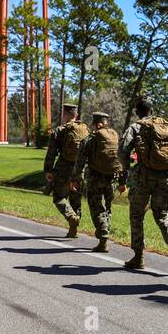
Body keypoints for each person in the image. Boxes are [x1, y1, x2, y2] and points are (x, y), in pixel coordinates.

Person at [118, 97, 168, 271]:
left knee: (137, 215)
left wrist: (123, 174)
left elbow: (123, 150)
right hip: (165, 177)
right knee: (162, 214)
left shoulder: (136, 127)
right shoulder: (166, 126)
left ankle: (138, 257)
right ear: (152, 111)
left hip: (143, 177)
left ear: (137, 112)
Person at [71, 111, 121, 253]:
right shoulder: (116, 137)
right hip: (113, 179)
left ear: (95, 124)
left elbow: (80, 161)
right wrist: (123, 181)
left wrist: (75, 179)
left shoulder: (90, 139)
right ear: (106, 124)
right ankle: (104, 236)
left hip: (95, 178)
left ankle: (103, 237)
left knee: (96, 207)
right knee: (108, 208)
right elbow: (123, 159)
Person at [43, 103, 86, 238]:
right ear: (76, 115)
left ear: (65, 115)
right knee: (76, 200)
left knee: (59, 197)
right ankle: (73, 229)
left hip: (63, 168)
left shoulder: (60, 130)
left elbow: (51, 153)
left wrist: (48, 170)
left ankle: (71, 217)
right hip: (79, 169)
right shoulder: (85, 130)